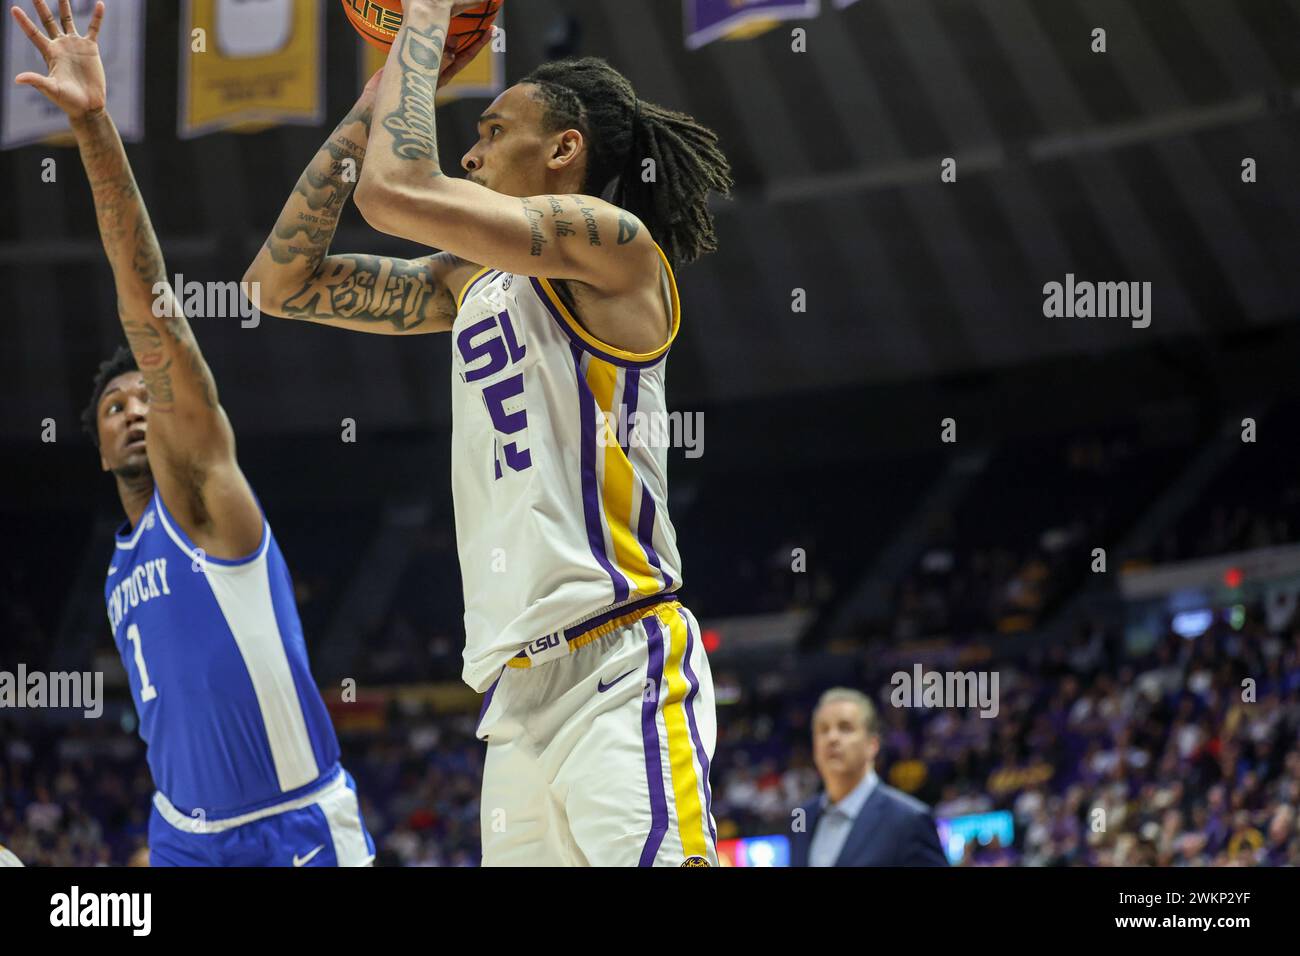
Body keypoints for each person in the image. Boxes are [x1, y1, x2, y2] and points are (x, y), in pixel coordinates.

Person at [245, 0, 733, 865]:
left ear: (563, 148)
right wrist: (376, 100)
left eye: (492, 128)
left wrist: (424, 23)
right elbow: (277, 285)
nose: (469, 151)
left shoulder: (616, 246)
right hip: (512, 706)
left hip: (618, 663)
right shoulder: (466, 281)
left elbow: (397, 193)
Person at [12, 0, 373, 866]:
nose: (135, 409)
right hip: (181, 836)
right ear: (98, 447)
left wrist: (95, 130)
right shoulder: (117, 568)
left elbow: (152, 308)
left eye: (145, 396)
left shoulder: (210, 503)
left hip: (293, 826)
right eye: (113, 408)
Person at [791, 688, 948, 867]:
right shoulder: (802, 816)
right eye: (823, 730)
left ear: (872, 745)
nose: (832, 738)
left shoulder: (909, 820)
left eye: (845, 728)